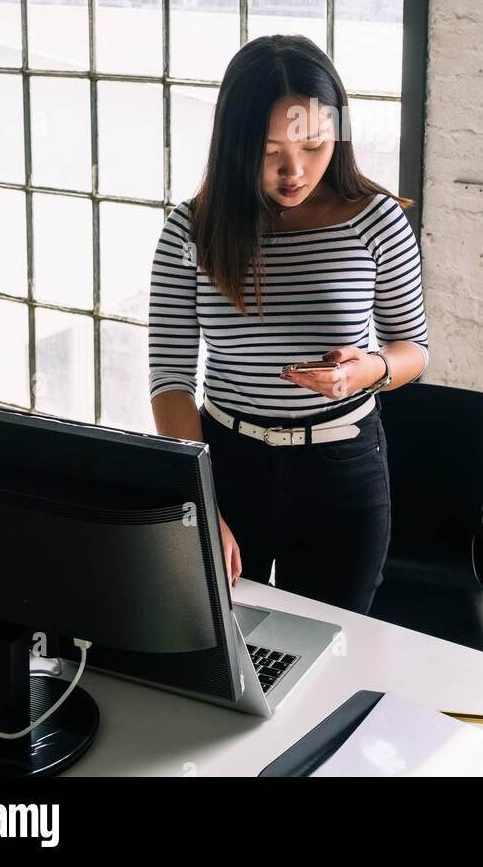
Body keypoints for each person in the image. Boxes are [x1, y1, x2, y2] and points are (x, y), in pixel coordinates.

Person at [148, 33, 429, 616]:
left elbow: (413, 350)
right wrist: (198, 502)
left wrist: (370, 371)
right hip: (225, 463)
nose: (293, 170)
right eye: (268, 149)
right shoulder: (190, 231)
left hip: (342, 469)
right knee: (217, 637)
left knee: (331, 652)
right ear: (233, 142)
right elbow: (170, 378)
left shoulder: (376, 221)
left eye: (313, 146)